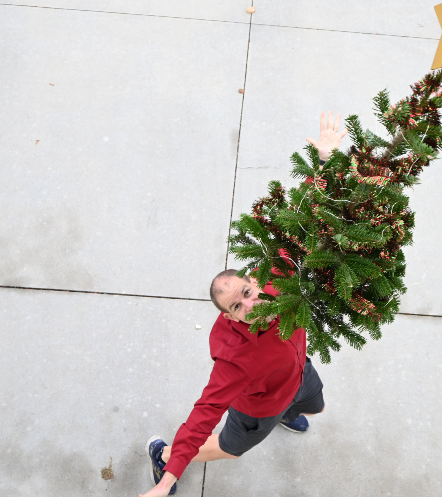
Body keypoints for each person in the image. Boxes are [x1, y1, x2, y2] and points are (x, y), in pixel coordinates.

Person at [139, 111, 348, 497]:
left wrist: (323, 162)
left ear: (256, 281)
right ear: (229, 318)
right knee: (230, 450)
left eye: (247, 293)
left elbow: (300, 221)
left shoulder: (277, 278)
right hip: (259, 409)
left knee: (315, 407)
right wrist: (170, 478)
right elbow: (204, 414)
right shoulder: (236, 359)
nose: (250, 306)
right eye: (237, 307)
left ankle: (291, 410)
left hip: (299, 374)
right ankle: (163, 457)